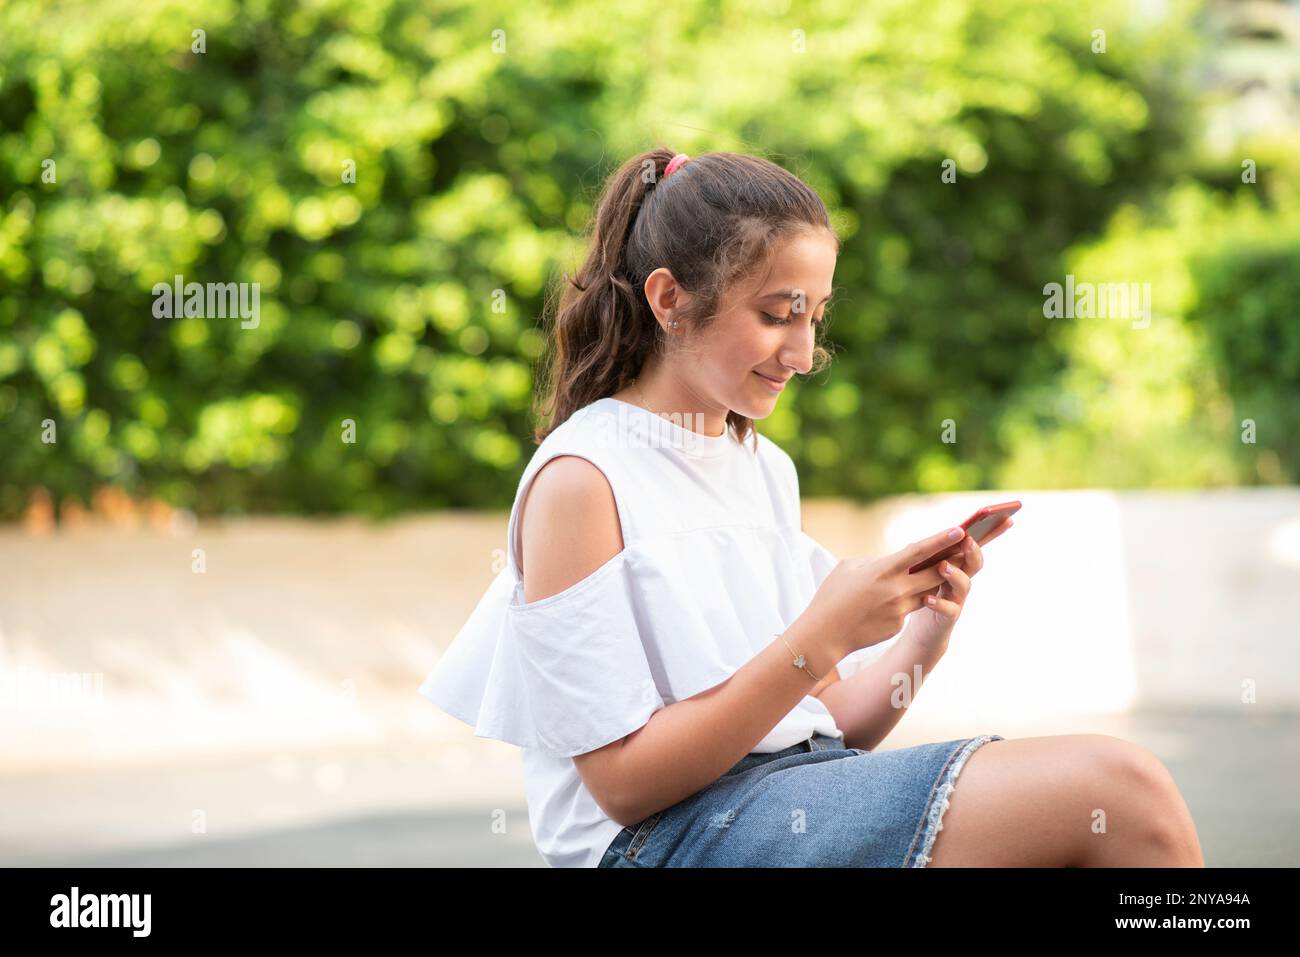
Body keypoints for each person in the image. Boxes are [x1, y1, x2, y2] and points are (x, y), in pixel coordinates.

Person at [419, 148, 1205, 868]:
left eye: (814, 316)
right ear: (669, 299)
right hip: (659, 840)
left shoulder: (763, 468)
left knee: (1107, 801)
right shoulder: (582, 479)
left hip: (792, 791)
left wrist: (926, 630)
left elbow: (830, 724)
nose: (802, 354)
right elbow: (623, 784)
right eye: (776, 313)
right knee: (1118, 789)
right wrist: (823, 631)